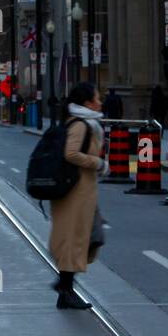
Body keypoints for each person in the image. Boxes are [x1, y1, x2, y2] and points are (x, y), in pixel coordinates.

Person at [49, 82, 108, 310]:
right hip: (75, 192)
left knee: (86, 238)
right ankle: (65, 290)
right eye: (97, 97)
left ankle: (65, 286)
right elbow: (71, 153)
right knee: (74, 240)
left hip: (81, 192)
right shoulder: (81, 125)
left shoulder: (86, 122)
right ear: (86, 103)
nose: (100, 101)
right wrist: (99, 163)